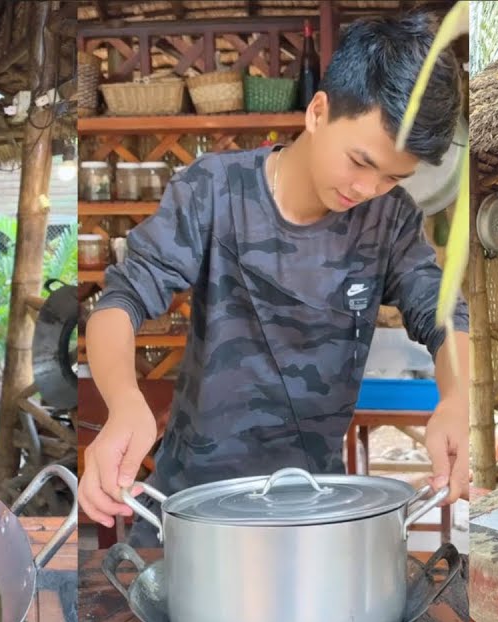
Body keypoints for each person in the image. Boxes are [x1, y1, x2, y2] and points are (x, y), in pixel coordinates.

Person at [81, 11, 469, 547]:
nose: (368, 187)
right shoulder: (212, 192)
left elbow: (442, 312)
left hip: (312, 508)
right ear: (318, 111)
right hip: (192, 505)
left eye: (392, 177)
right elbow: (120, 300)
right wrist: (124, 402)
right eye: (360, 161)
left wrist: (455, 399)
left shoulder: (391, 218)